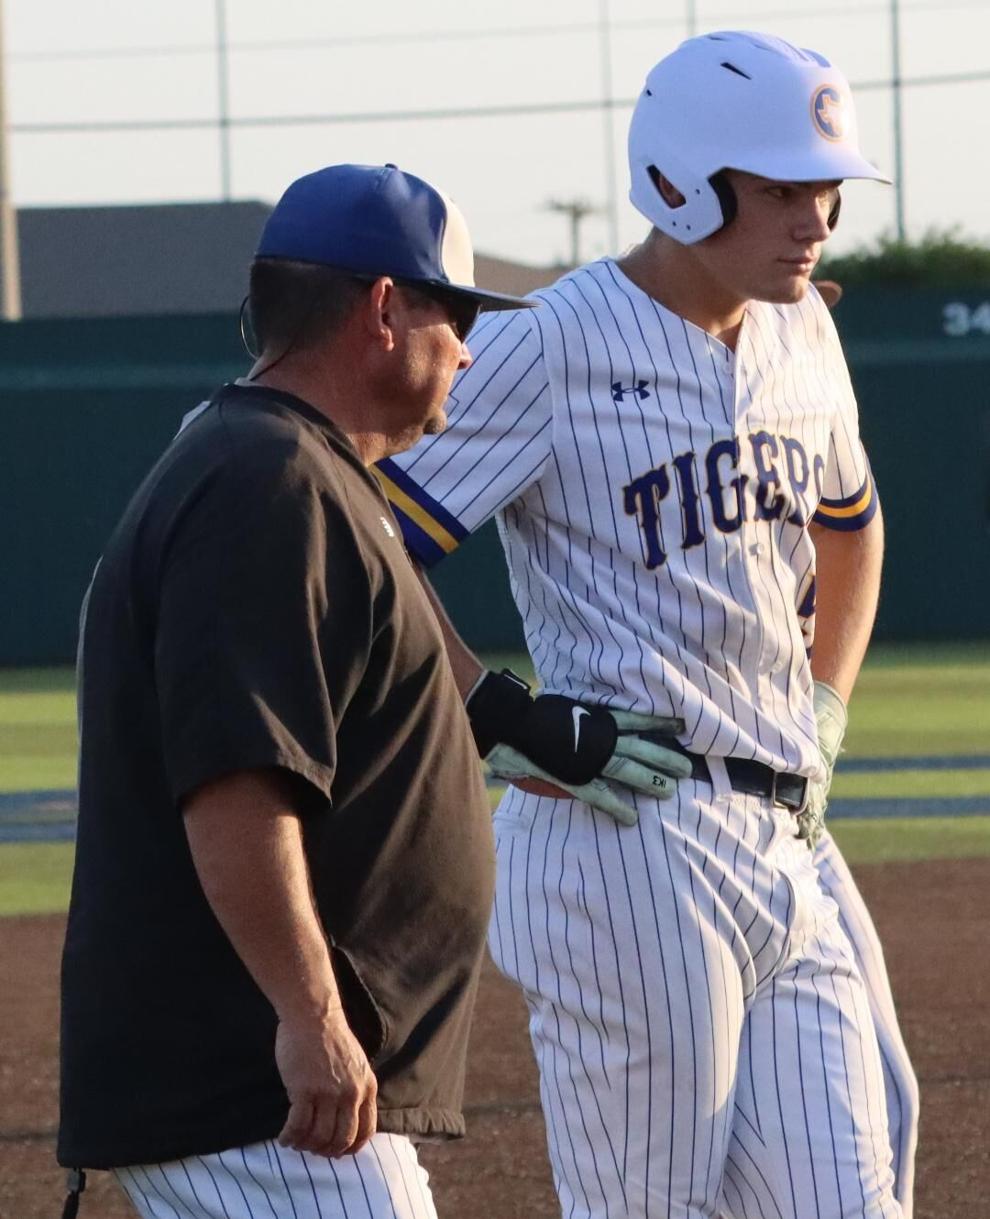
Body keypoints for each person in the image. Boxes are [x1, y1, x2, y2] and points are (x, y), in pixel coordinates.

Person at [375, 33, 918, 1219]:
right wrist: (494, 711)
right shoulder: (549, 344)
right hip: (630, 835)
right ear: (682, 180)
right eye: (781, 186)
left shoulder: (804, 332)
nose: (817, 215)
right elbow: (357, 530)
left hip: (787, 832)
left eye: (824, 185)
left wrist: (827, 703)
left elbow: (853, 524)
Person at [58, 163, 536, 1219]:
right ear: (381, 308)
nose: (466, 346)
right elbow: (238, 782)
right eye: (453, 312)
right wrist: (312, 1018)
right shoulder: (266, 481)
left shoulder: (295, 468)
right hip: (258, 1097)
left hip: (257, 1095)